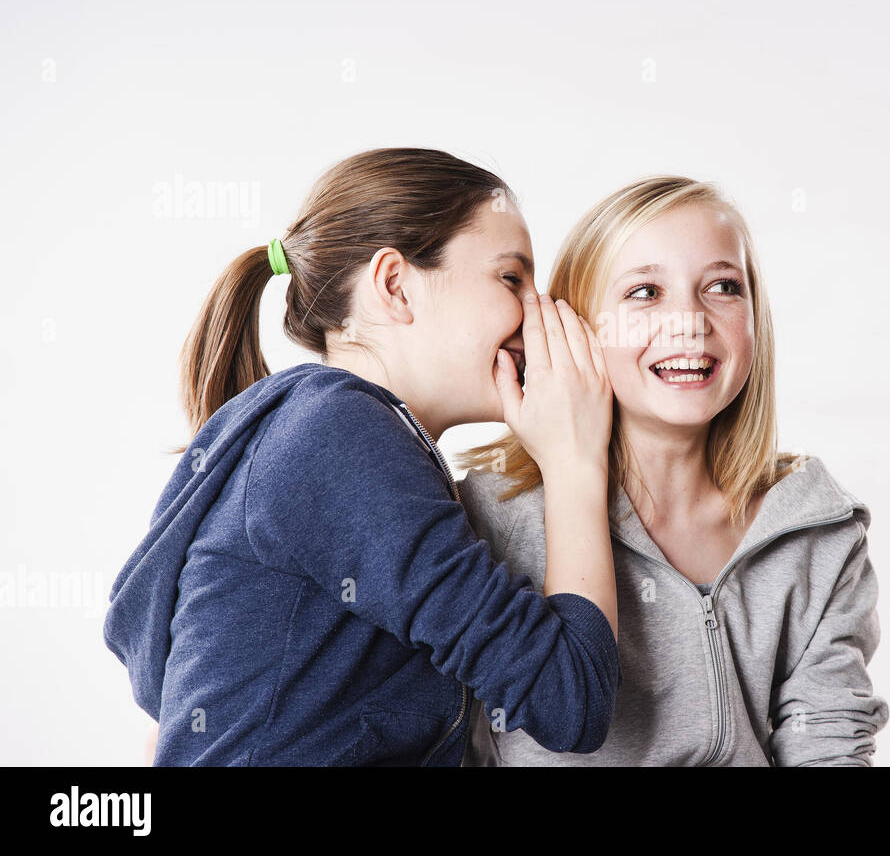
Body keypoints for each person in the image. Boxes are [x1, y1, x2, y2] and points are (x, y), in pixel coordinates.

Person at [103, 147, 619, 765]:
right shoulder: (338, 436)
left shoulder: (324, 427)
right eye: (511, 278)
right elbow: (570, 700)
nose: (540, 312)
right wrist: (574, 463)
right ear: (395, 286)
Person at [458, 176, 889, 765]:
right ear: (575, 326)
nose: (689, 321)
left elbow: (831, 741)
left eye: (721, 286)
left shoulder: (817, 532)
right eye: (645, 293)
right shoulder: (482, 523)